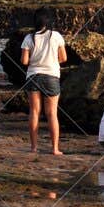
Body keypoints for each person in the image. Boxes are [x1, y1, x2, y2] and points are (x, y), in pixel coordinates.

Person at [19, 9, 68, 156]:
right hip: (52, 76)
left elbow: (24, 61)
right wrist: (52, 61)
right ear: (49, 21)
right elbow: (64, 58)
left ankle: (34, 148)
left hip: (33, 76)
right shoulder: (57, 36)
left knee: (34, 112)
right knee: (52, 114)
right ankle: (54, 149)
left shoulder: (29, 37)